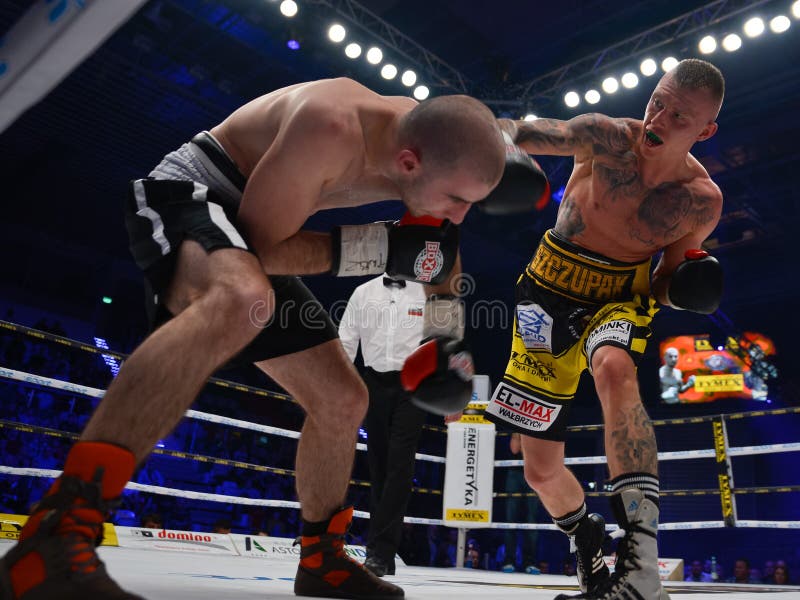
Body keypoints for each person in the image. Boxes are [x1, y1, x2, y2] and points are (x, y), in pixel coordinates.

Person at [0, 77, 510, 600]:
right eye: (456, 199)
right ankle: (57, 532)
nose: (461, 213)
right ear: (408, 163)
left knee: (343, 398)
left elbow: (443, 250)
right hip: (194, 198)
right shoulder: (330, 126)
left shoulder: (434, 146)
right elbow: (261, 249)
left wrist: (444, 340)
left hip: (257, 232)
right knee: (242, 299)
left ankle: (321, 559)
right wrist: (378, 247)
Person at [484, 58, 725, 600]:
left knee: (614, 367)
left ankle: (640, 563)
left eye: (679, 115)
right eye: (657, 101)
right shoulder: (606, 139)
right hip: (544, 296)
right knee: (541, 470)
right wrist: (495, 138)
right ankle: (585, 533)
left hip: (619, 299)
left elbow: (665, 282)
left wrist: (685, 289)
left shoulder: (699, 201)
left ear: (705, 131)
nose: (659, 117)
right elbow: (525, 130)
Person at [338, 273, 427, 578]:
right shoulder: (363, 292)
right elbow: (347, 340)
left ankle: (379, 552)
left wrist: (451, 397)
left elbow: (445, 343)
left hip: (414, 385)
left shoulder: (427, 292)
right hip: (373, 382)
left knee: (400, 467)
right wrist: (337, 388)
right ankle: (383, 556)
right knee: (379, 466)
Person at [500, 433, 540, 573]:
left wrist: (525, 439)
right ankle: (509, 560)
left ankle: (530, 562)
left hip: (534, 472)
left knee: (532, 520)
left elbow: (535, 451)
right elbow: (515, 449)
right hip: (514, 473)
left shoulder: (538, 422)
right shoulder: (515, 422)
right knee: (511, 519)